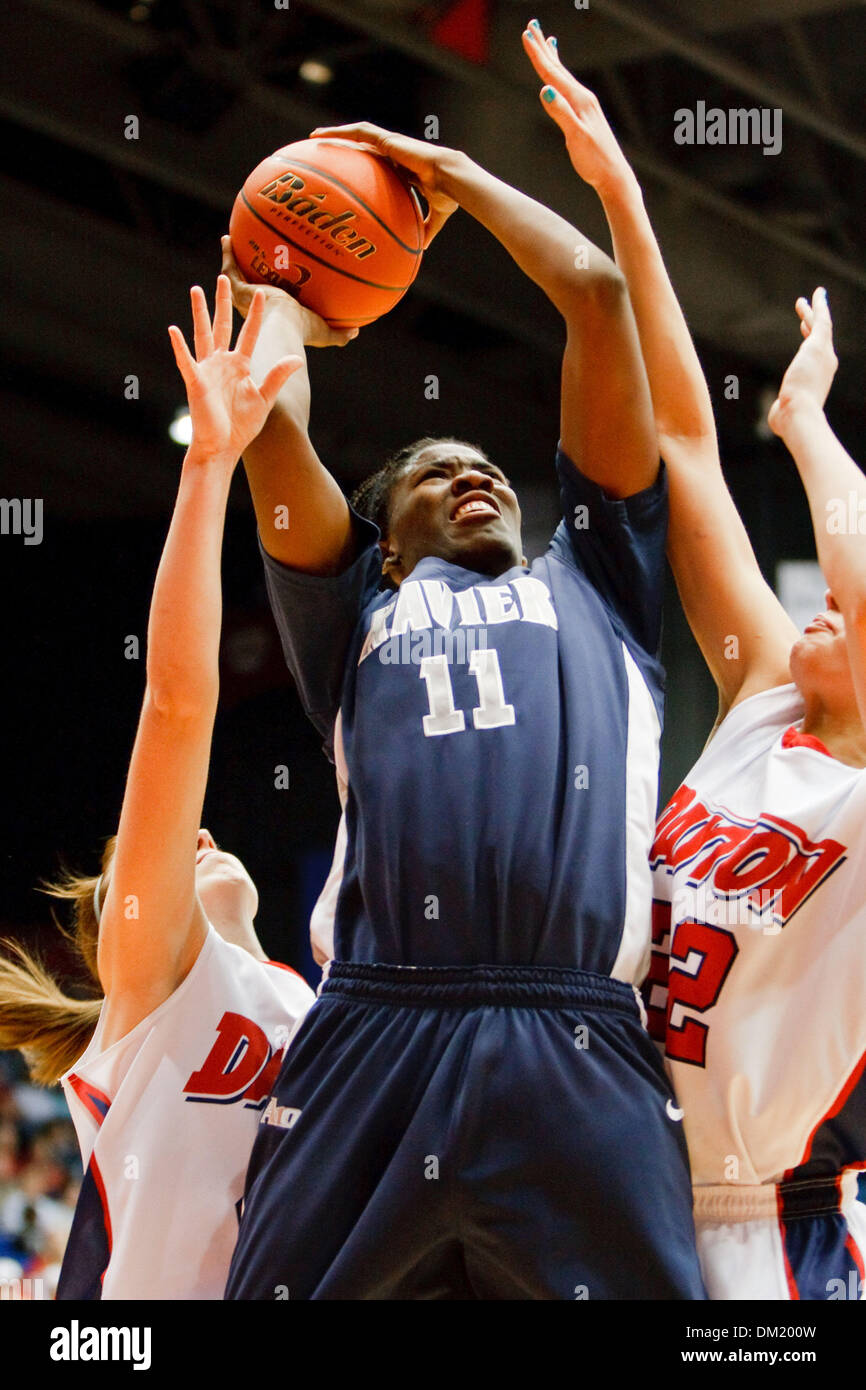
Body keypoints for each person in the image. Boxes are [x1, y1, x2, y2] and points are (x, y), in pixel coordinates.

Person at [221, 88, 706, 1299]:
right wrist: (280, 298)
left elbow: (595, 296)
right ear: (385, 540)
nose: (473, 473)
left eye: (487, 466)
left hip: (575, 1029)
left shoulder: (598, 577)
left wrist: (459, 179)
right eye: (438, 473)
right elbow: (276, 438)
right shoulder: (352, 612)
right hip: (377, 1027)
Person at [522, 22, 866, 1300]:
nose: (820, 613)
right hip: (610, 1187)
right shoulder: (768, 696)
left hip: (765, 1226)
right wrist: (619, 194)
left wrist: (807, 425)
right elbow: (677, 436)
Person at [0, 279, 321, 1299]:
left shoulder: (299, 996)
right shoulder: (151, 987)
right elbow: (178, 706)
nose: (199, 832)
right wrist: (207, 465)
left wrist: (291, 317)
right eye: (165, 846)